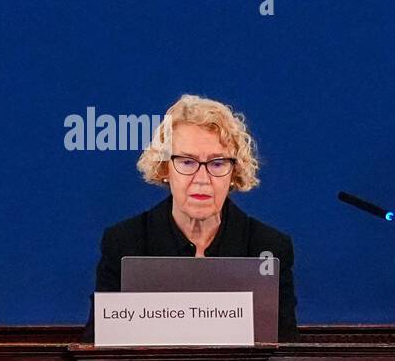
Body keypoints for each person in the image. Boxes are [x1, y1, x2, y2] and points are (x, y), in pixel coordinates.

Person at [85, 93, 297, 340]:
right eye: (187, 162)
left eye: (217, 163)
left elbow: (285, 354)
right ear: (165, 168)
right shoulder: (124, 243)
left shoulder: (268, 248)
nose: (202, 179)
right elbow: (98, 347)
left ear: (234, 172)